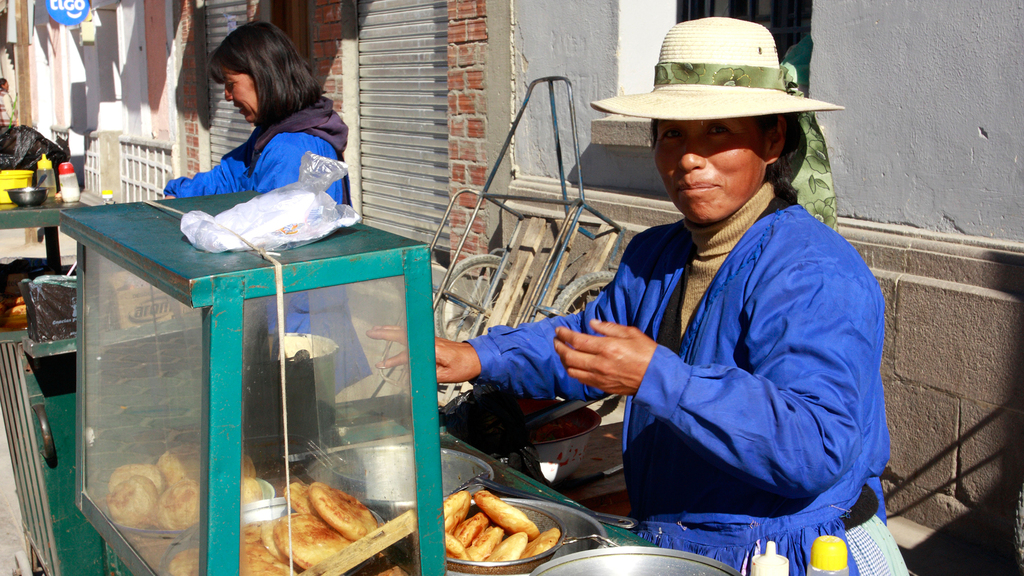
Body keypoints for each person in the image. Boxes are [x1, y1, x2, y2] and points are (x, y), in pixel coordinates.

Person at [373, 17, 906, 576]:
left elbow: (815, 446)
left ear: (772, 139)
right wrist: (479, 356)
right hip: (685, 540)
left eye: (717, 132)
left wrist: (658, 376)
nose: (689, 158)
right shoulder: (657, 255)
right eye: (672, 134)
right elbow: (589, 344)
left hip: (793, 552)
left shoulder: (813, 273)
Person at [164, 22, 350, 204]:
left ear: (262, 76)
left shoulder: (289, 151)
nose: (228, 96)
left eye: (230, 84)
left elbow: (272, 229)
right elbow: (229, 176)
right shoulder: (272, 132)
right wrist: (180, 193)